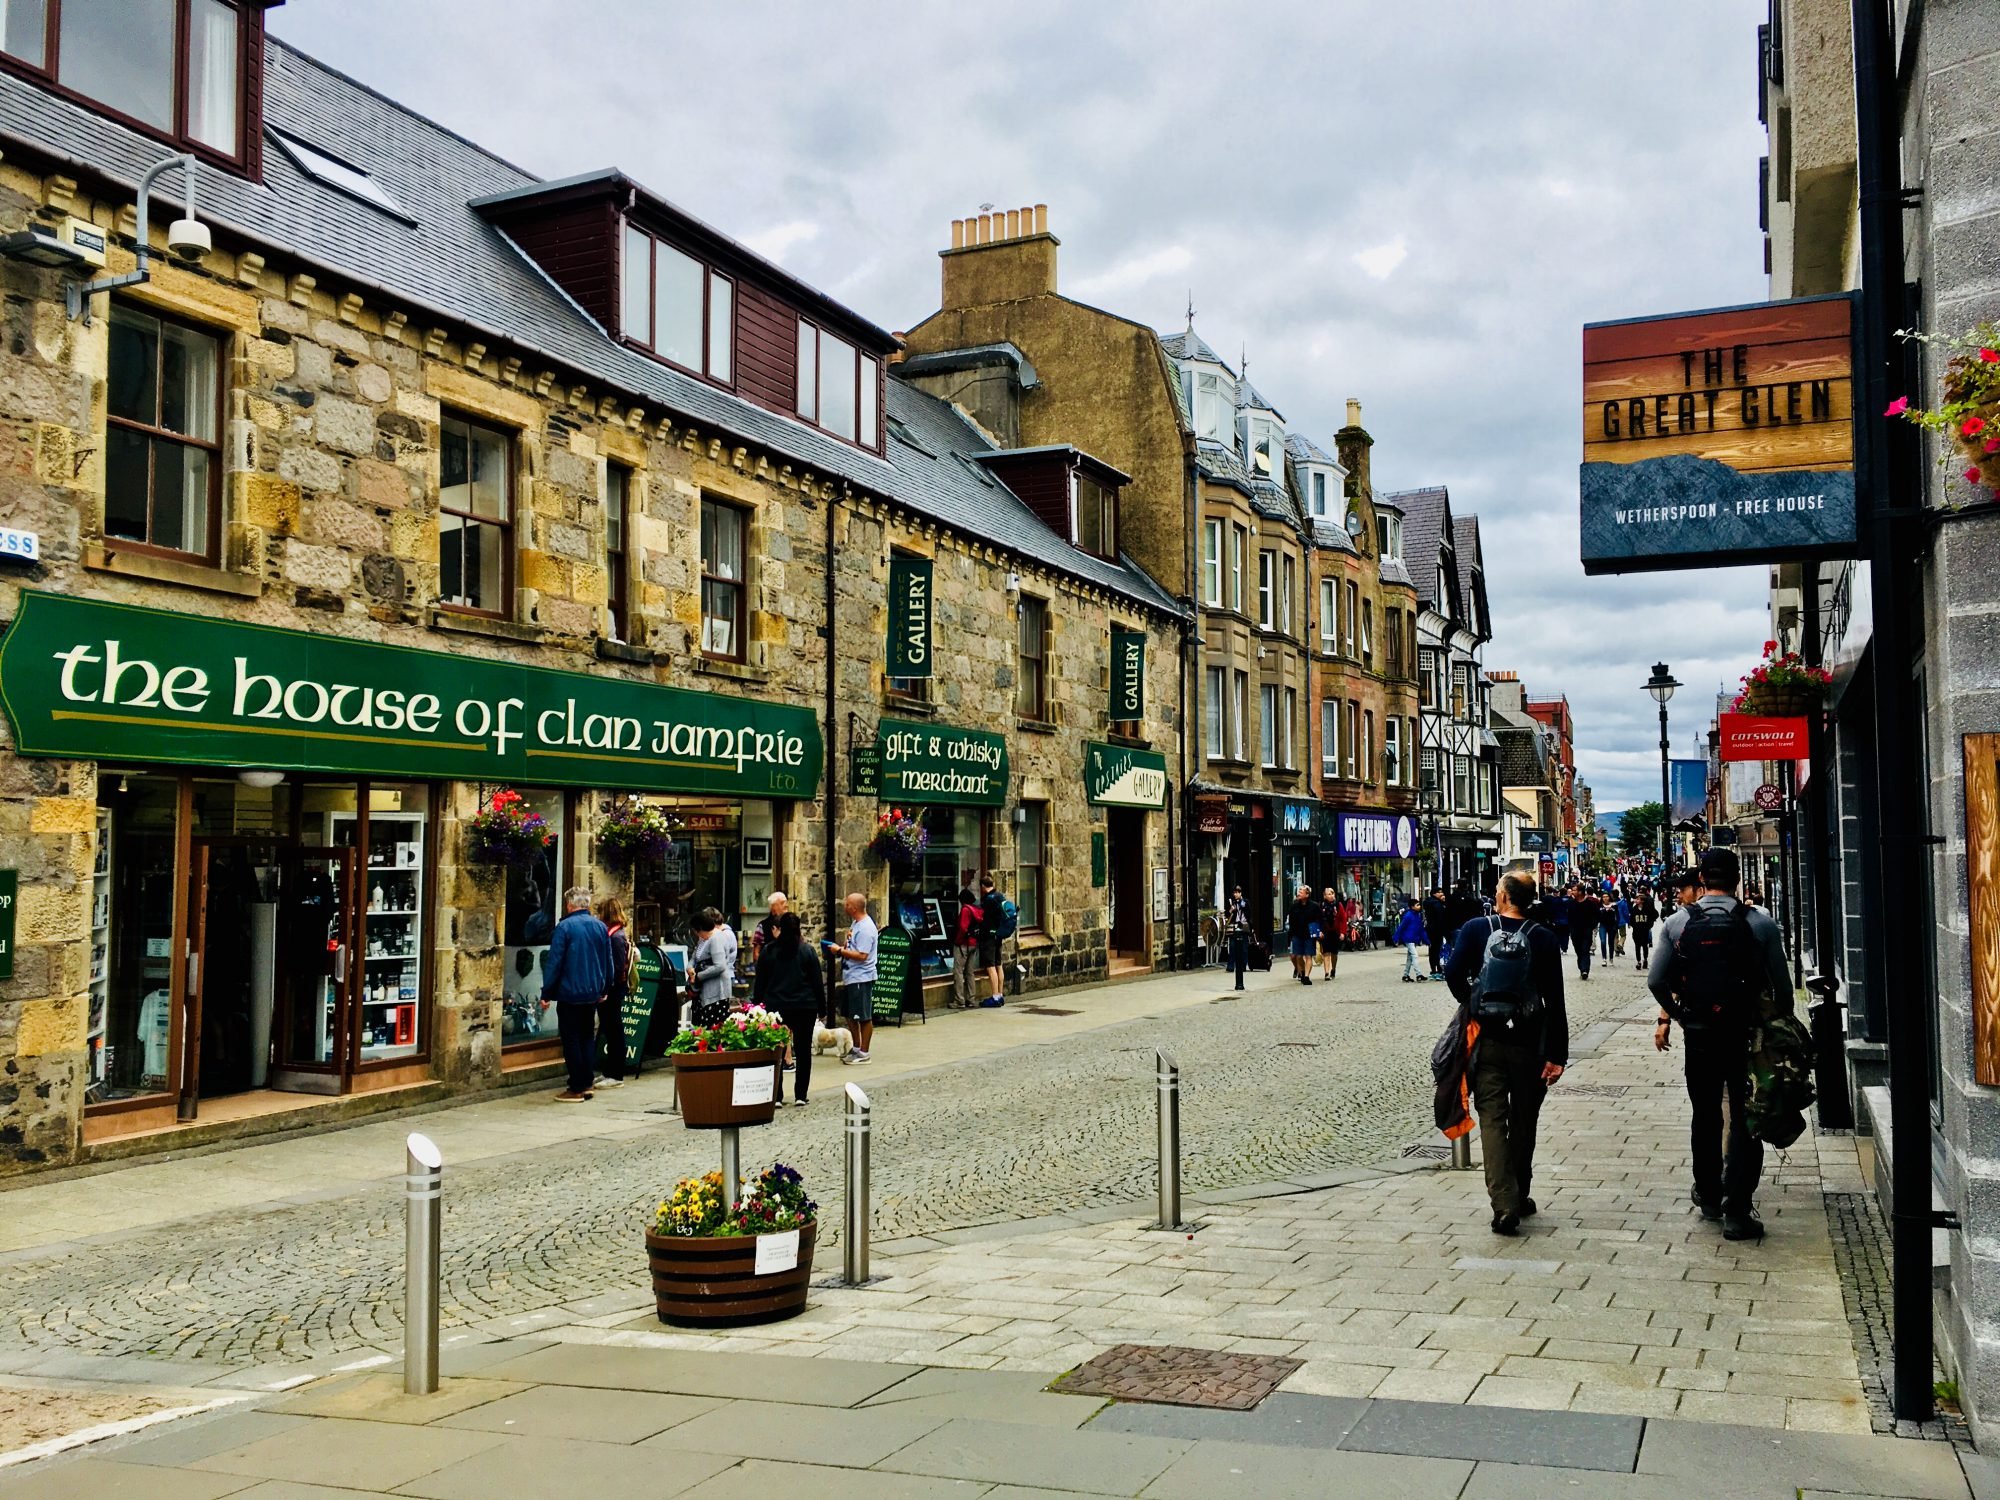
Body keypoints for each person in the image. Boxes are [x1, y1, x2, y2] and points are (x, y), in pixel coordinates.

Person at [1649, 847, 1792, 1242]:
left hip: (1699, 1035)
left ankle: (1709, 1194)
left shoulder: (1678, 923)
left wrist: (1679, 1016)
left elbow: (1656, 980)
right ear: (1737, 879)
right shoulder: (1760, 923)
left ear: (1702, 880)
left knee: (1705, 1114)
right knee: (1746, 1116)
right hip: (1745, 1034)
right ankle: (1738, 1210)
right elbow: (1782, 988)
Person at [1445, 870, 1568, 1235]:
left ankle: (1504, 1204)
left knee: (1493, 1121)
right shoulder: (1543, 937)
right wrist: (1557, 1055)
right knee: (1525, 1120)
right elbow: (1555, 1000)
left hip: (1487, 1042)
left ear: (1503, 897)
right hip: (1530, 1043)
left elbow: (1453, 972)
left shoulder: (1475, 929)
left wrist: (1474, 1004)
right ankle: (1520, 1192)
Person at [542, 886, 613, 1103]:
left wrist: (547, 992)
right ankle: (587, 1082)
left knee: (571, 1039)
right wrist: (605, 988)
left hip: (570, 993)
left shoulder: (565, 927)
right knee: (587, 1037)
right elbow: (608, 961)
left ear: (569, 904)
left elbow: (555, 962)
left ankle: (577, 1087)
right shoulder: (600, 926)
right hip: (592, 992)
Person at [753, 912, 823, 1106]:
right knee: (803, 1050)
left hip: (776, 1006)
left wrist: (757, 1004)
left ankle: (777, 1095)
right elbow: (817, 982)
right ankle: (801, 1094)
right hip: (804, 1005)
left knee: (776, 1050)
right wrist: (822, 1007)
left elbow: (761, 981)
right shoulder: (807, 951)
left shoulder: (769, 951)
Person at [824, 892, 878, 1063]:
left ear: (854, 908)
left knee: (863, 1016)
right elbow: (853, 947)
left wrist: (840, 951)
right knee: (849, 1013)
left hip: (861, 977)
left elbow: (862, 955)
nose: (844, 906)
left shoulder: (866, 928)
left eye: (847, 904)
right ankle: (856, 1047)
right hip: (851, 976)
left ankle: (864, 1052)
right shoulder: (856, 923)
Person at [592, 895, 631, 1090]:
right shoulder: (615, 934)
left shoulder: (615, 937)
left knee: (614, 1031)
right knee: (609, 1029)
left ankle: (616, 1074)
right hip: (613, 989)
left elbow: (615, 968)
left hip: (613, 990)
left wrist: (606, 989)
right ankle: (609, 1071)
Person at [690, 907, 737, 1027]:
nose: (696, 934)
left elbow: (720, 966)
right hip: (703, 992)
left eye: (696, 931)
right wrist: (690, 968)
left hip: (716, 992)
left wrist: (698, 976)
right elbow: (694, 957)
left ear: (700, 929)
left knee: (713, 1029)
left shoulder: (717, 938)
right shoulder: (703, 939)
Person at [950, 872, 982, 1010]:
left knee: (958, 971)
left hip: (963, 944)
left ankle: (959, 1000)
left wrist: (957, 941)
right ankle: (971, 999)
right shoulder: (976, 909)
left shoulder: (965, 910)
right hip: (974, 943)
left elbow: (963, 928)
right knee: (970, 972)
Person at [979, 875, 1007, 1006]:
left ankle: (995, 997)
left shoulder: (988, 900)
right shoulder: (1000, 896)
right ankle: (1000, 995)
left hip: (989, 936)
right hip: (998, 935)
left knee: (990, 966)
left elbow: (984, 919)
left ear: (983, 886)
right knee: (998, 964)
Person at [1285, 884, 1319, 985]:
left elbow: (1318, 920)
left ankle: (1307, 976)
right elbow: (1291, 921)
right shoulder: (1294, 906)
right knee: (1298, 956)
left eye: (1301, 891)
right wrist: (1291, 935)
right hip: (1297, 934)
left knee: (1308, 955)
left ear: (1307, 894)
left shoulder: (1314, 906)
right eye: (1298, 891)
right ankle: (1302, 972)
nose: (1299, 893)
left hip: (1309, 934)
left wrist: (1318, 932)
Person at [1569, 885, 1600, 980]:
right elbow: (1569, 916)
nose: (1572, 892)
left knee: (1585, 950)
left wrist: (1592, 926)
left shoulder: (1590, 904)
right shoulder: (1571, 903)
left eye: (1574, 890)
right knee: (1578, 951)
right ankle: (1581, 968)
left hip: (1586, 931)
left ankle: (1585, 970)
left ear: (1580, 892)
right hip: (1575, 932)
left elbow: (1597, 915)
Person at [1392, 895, 1427, 982]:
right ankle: (1418, 974)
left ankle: (1405, 975)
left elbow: (1420, 929)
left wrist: (1426, 940)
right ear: (1412, 906)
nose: (1419, 906)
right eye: (1417, 905)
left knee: (1410, 957)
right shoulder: (1409, 916)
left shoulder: (1416, 915)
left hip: (1412, 938)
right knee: (1414, 955)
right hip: (1409, 938)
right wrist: (1396, 937)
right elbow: (1401, 927)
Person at [1224, 885, 1251, 990]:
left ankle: (1243, 965)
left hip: (1243, 925)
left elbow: (1248, 913)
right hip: (1235, 925)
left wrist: (1241, 907)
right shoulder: (1232, 903)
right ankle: (1231, 966)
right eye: (1234, 892)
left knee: (1244, 946)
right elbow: (1228, 914)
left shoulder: (1245, 902)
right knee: (1232, 946)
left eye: (1237, 892)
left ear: (1240, 893)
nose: (1235, 894)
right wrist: (1231, 910)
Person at [1422, 887, 1449, 977]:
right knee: (1437, 949)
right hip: (1438, 930)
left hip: (1430, 929)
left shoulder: (1428, 903)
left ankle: (1433, 969)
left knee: (1432, 950)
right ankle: (1438, 968)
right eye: (1439, 892)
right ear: (1434, 894)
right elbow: (1441, 917)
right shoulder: (1437, 904)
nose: (1441, 894)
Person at [1630, 889, 1658, 970]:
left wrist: (1649, 925)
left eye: (1638, 899)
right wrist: (1634, 925)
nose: (1636, 900)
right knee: (1637, 946)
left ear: (1642, 901)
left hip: (1645, 931)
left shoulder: (1647, 909)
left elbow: (1655, 915)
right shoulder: (1634, 909)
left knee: (1645, 946)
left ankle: (1645, 959)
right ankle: (1638, 961)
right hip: (1636, 931)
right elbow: (1631, 919)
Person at [1320, 886, 1342, 980]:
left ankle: (1333, 969)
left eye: (1332, 893)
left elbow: (1342, 919)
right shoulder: (1321, 906)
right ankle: (1326, 973)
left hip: (1335, 932)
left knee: (1334, 953)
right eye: (1328, 894)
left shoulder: (1338, 905)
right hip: (1325, 932)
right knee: (1326, 952)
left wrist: (1342, 933)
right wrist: (1319, 931)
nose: (1331, 895)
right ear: (1324, 896)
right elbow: (1318, 919)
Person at [1597, 896, 1617, 961]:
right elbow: (1596, 915)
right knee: (1603, 941)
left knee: (1611, 942)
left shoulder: (1614, 905)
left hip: (1612, 925)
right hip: (1602, 925)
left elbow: (1617, 916)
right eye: (1604, 897)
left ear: (1609, 897)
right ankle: (1604, 958)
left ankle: (1611, 958)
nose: (1605, 898)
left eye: (1607, 897)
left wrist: (1616, 925)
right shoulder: (1600, 906)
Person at [1614, 890, 1632, 959]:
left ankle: (1616, 951)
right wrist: (1628, 922)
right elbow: (1626, 913)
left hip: (1614, 922)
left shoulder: (1611, 903)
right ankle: (1620, 944)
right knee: (1623, 935)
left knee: (1615, 936)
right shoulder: (1622, 902)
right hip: (1622, 921)